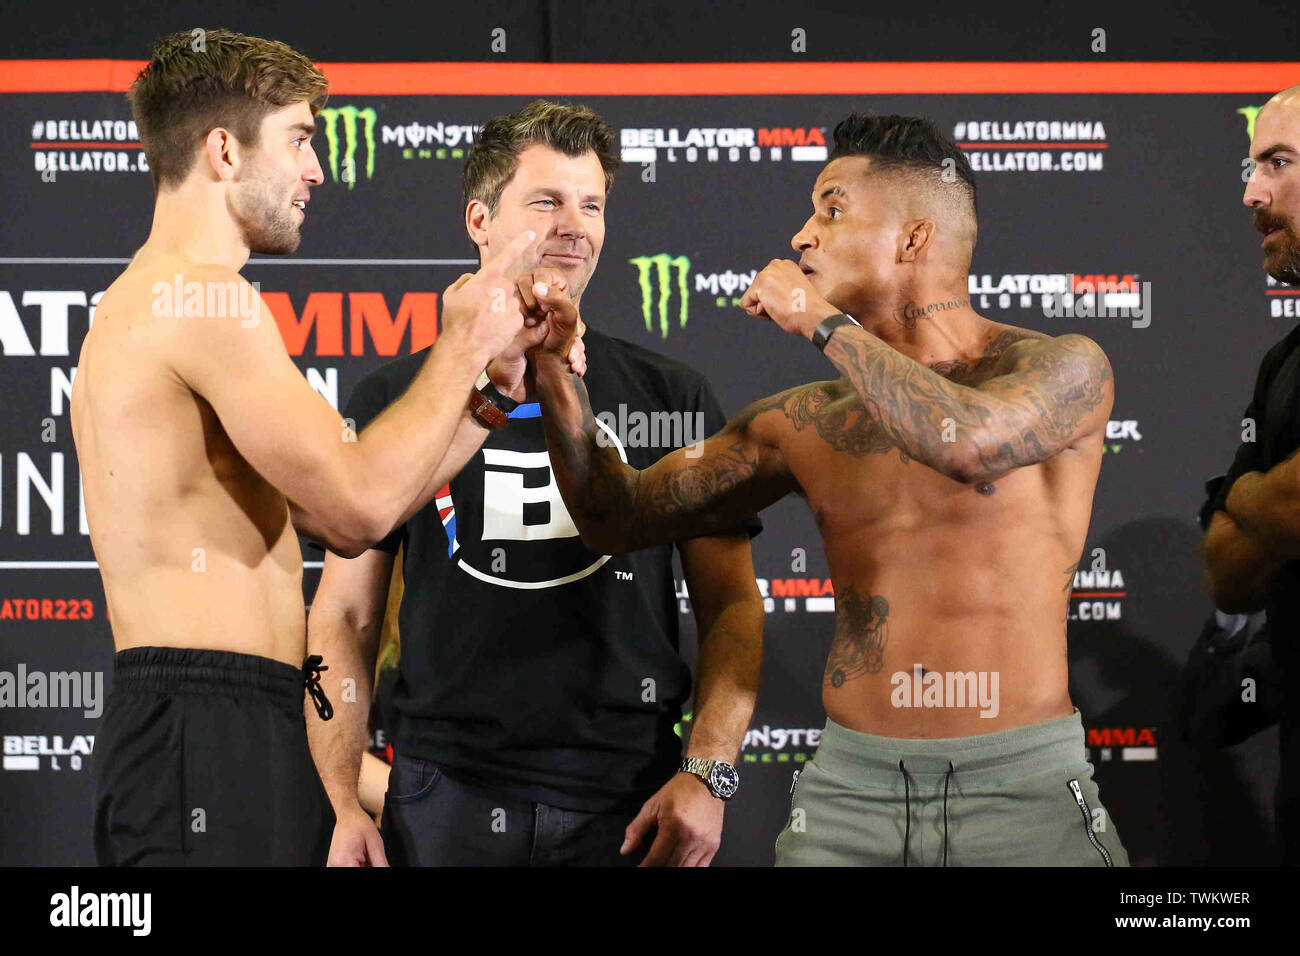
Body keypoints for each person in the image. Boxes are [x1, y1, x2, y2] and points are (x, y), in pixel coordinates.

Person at [533, 112, 1130, 866]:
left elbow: (969, 443)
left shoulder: (1062, 368)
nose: (801, 236)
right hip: (849, 800)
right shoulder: (808, 423)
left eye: (832, 210)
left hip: (1024, 794)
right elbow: (615, 516)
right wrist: (553, 370)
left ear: (913, 239)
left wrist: (817, 319)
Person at [72, 29, 548, 865]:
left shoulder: (160, 301)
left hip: (226, 719)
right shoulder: (202, 304)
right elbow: (358, 505)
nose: (317, 169)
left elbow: (351, 515)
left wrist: (492, 398)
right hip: (203, 728)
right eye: (298, 139)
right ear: (224, 150)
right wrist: (464, 339)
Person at [307, 100, 764, 868]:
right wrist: (343, 800)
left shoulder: (671, 396)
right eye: (547, 201)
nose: (575, 226)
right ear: (480, 221)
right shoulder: (395, 397)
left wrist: (708, 772)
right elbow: (344, 615)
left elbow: (732, 605)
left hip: (628, 798)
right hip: (442, 798)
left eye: (592, 205)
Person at [1203, 83, 1300, 864]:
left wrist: (1245, 495)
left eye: (1277, 163)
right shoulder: (1283, 362)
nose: (1250, 194)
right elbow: (1228, 572)